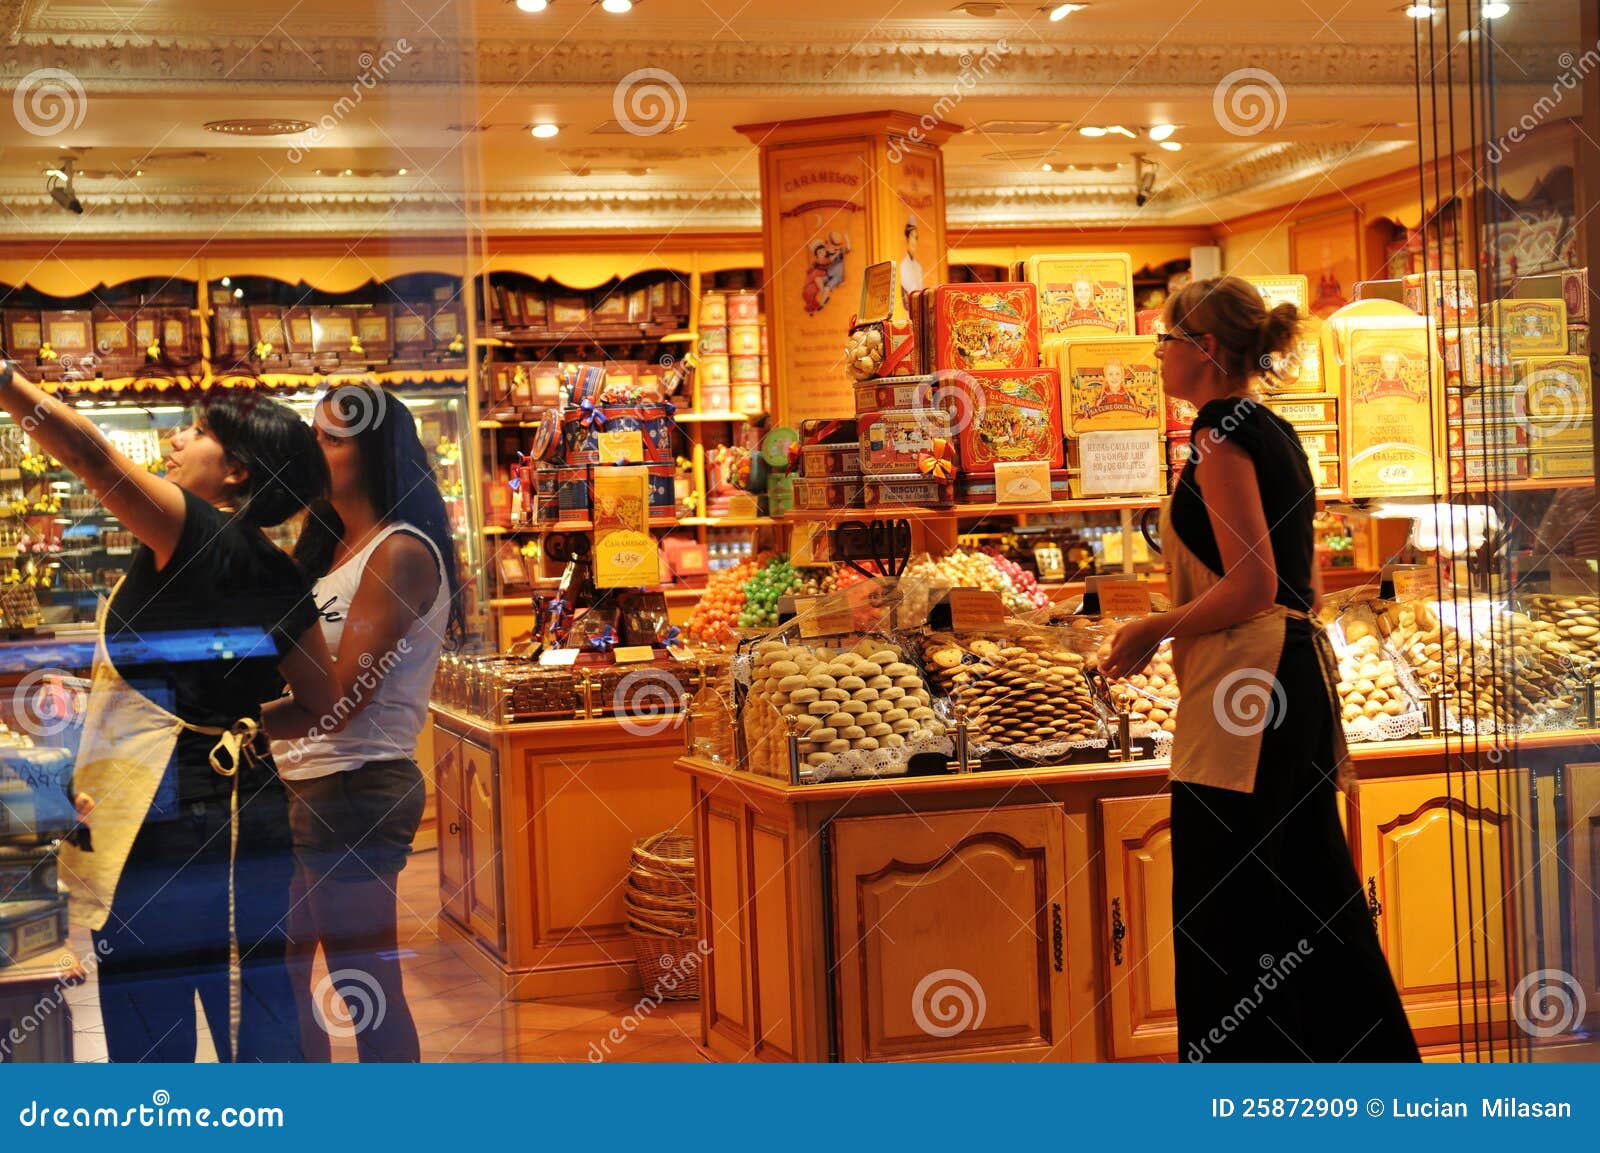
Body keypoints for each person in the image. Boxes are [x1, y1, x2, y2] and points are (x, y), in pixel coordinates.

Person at [1098, 278, 1419, 1064]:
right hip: (1286, 681)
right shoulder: (1270, 426)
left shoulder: (1217, 430)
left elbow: (1253, 582)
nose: (1159, 355)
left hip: (1249, 689)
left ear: (1204, 349)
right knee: (1308, 887)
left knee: (1230, 903)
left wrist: (1151, 628)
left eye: (1166, 341)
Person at [0, 364, 340, 1063]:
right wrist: (232, 735)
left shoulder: (200, 531)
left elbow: (90, 455)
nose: (177, 437)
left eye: (199, 430)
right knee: (256, 1018)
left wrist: (7, 381)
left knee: (158, 1022)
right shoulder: (272, 567)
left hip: (181, 829)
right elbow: (320, 701)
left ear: (237, 472)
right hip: (223, 817)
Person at [265, 382, 461, 1063]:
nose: (315, 451)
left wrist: (231, 723)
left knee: (363, 983)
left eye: (332, 438)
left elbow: (342, 695)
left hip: (353, 786)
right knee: (284, 972)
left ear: (376, 451)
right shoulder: (330, 548)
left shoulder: (399, 550)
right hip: (310, 783)